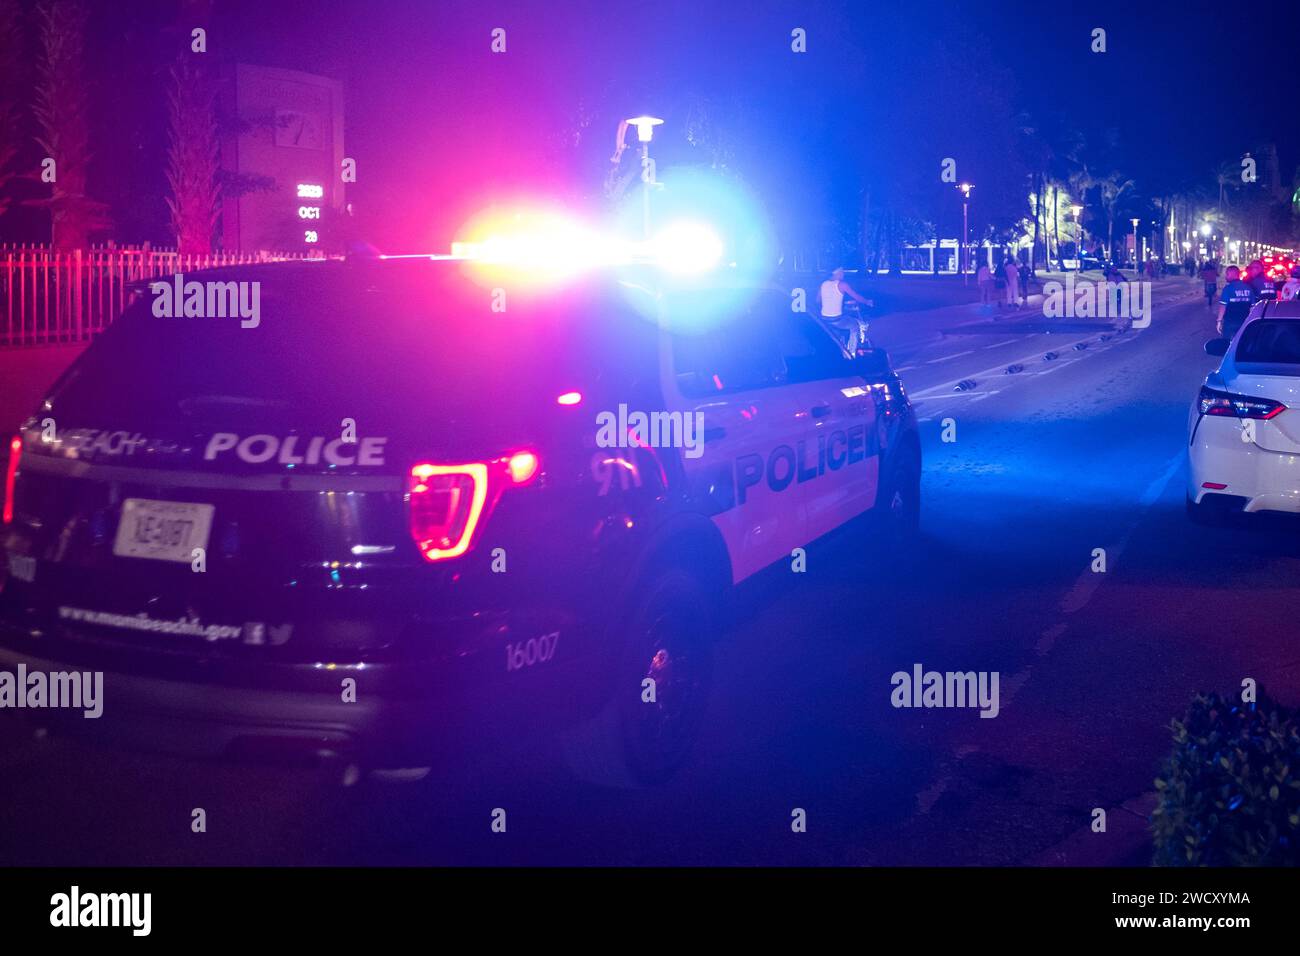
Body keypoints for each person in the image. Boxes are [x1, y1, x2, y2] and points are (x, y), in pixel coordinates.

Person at [817, 267, 873, 352]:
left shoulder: (823, 284)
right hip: (836, 319)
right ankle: (852, 352)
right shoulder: (842, 284)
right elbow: (856, 296)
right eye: (842, 272)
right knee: (855, 325)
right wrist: (867, 302)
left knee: (846, 318)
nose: (843, 274)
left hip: (824, 318)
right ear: (837, 273)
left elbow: (817, 300)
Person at [1217, 265, 1254, 341]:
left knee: (1226, 343)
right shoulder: (1248, 288)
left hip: (1230, 322)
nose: (1225, 276)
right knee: (1243, 342)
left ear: (1231, 275)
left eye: (1227, 274)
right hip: (1244, 322)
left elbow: (1223, 306)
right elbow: (1252, 307)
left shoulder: (1228, 288)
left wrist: (1219, 321)